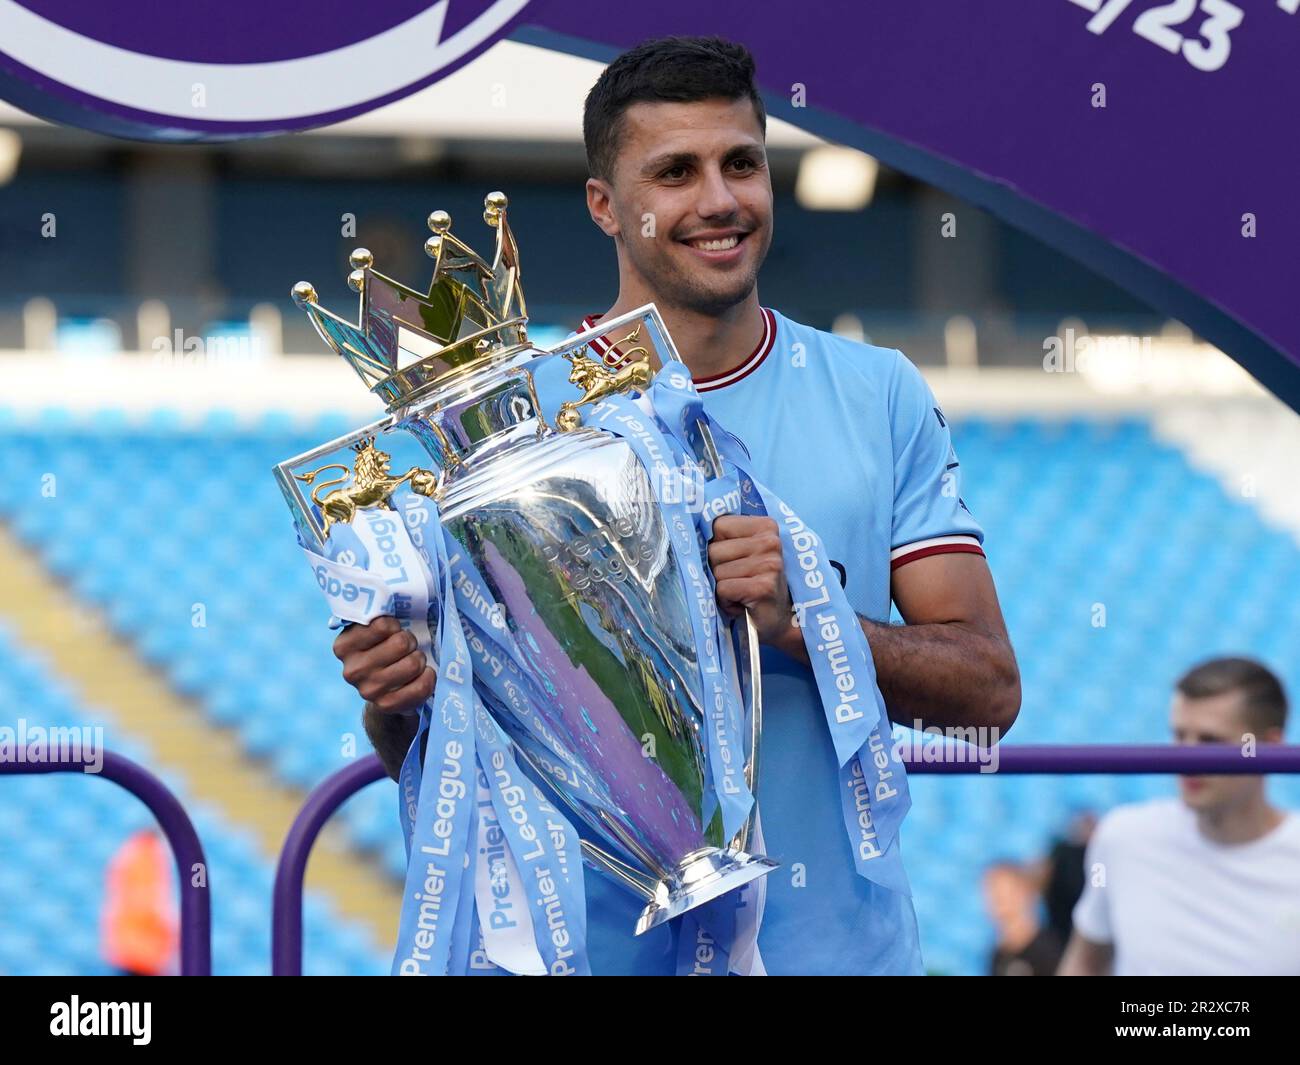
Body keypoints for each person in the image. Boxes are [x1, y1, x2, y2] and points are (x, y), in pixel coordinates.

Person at [338, 35, 1020, 975]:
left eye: (742, 163)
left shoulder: (878, 390)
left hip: (829, 954)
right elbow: (430, 743)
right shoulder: (499, 434)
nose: (719, 201)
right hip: (587, 954)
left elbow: (989, 691)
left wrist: (808, 621)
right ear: (605, 206)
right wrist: (400, 693)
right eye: (675, 172)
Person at [1059, 656, 1300, 976]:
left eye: (1209, 741)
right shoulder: (1123, 838)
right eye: (1179, 736)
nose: (1187, 758)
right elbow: (1084, 964)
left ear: (1271, 747)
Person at [983, 861, 1062, 976]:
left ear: (1025, 894)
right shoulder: (997, 956)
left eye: (1004, 894)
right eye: (993, 895)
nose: (998, 902)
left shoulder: (1048, 951)